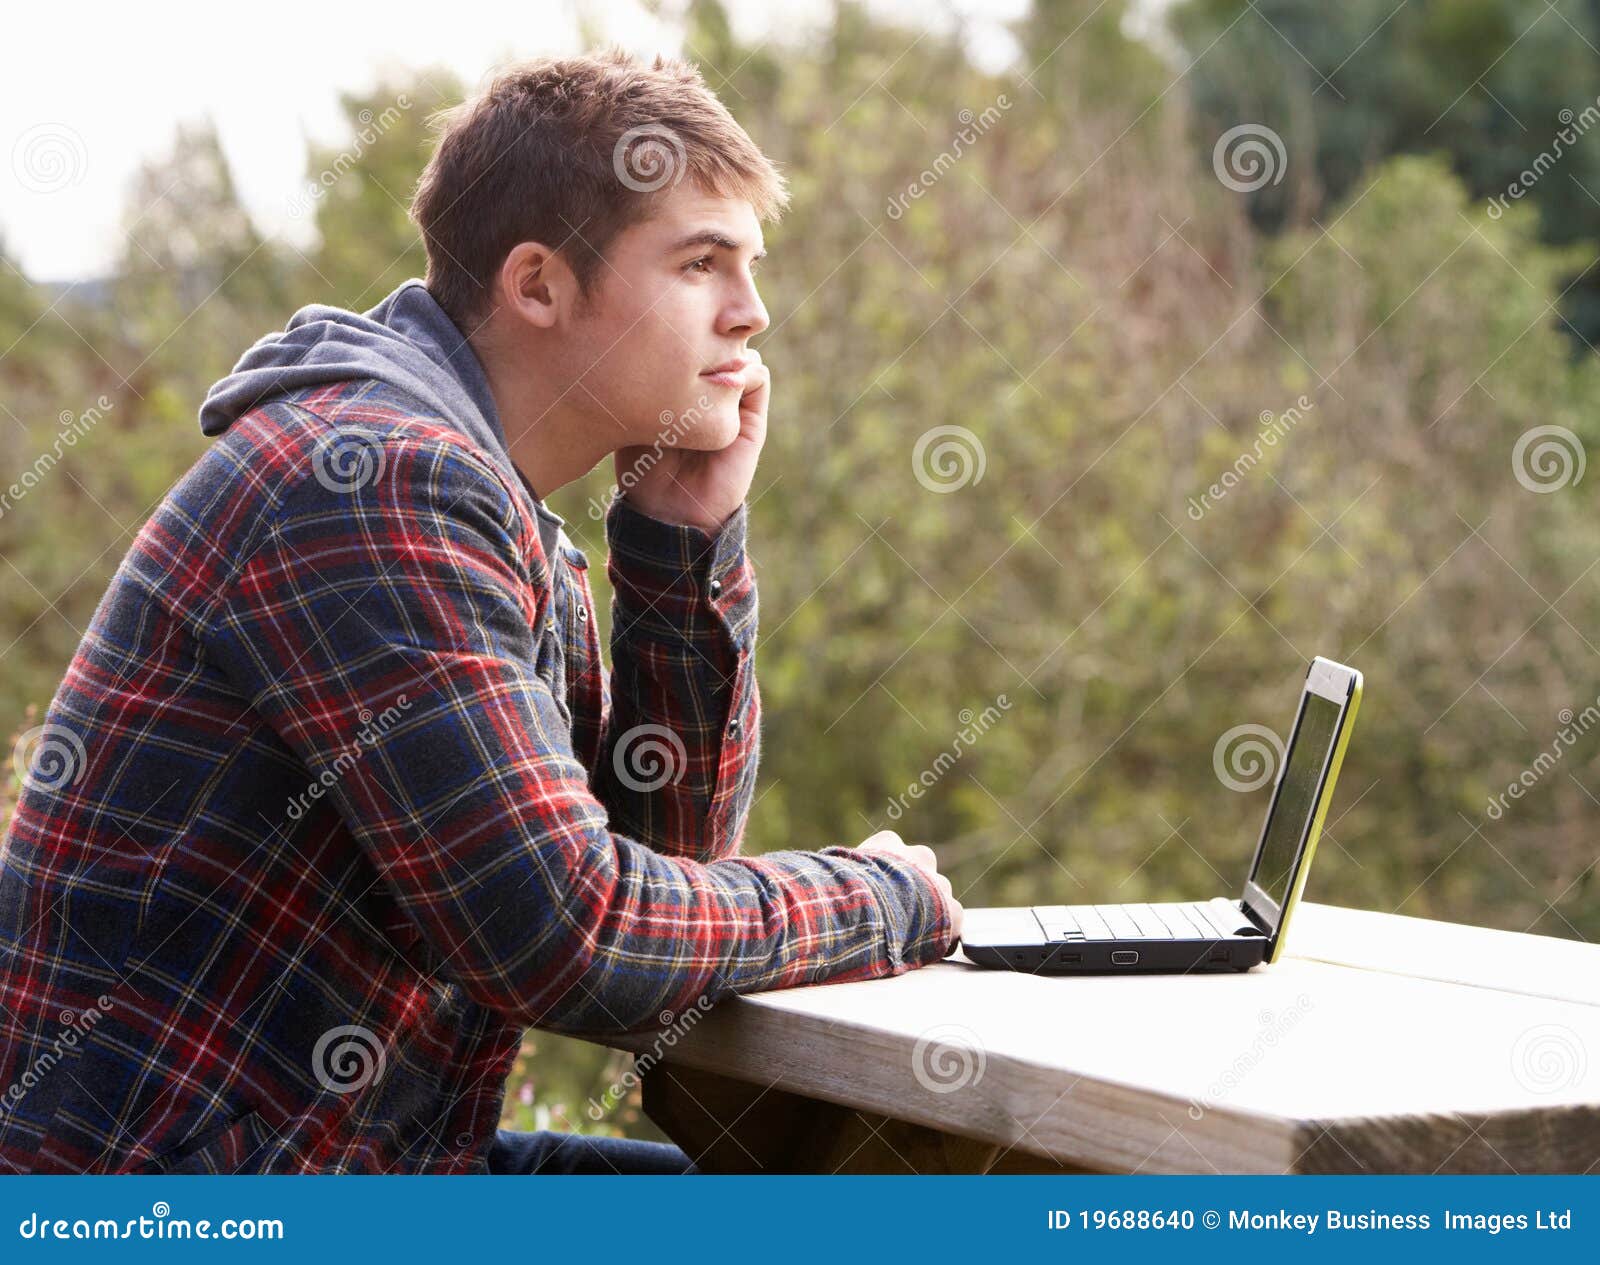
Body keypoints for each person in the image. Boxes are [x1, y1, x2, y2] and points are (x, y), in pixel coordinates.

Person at [0, 50, 962, 1175]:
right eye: (702, 262)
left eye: (749, 266)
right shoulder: (371, 481)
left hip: (356, 1166)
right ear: (539, 284)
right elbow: (574, 938)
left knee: (806, 1196)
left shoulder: (488, 506)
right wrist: (876, 896)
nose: (751, 314)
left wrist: (679, 544)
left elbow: (666, 880)